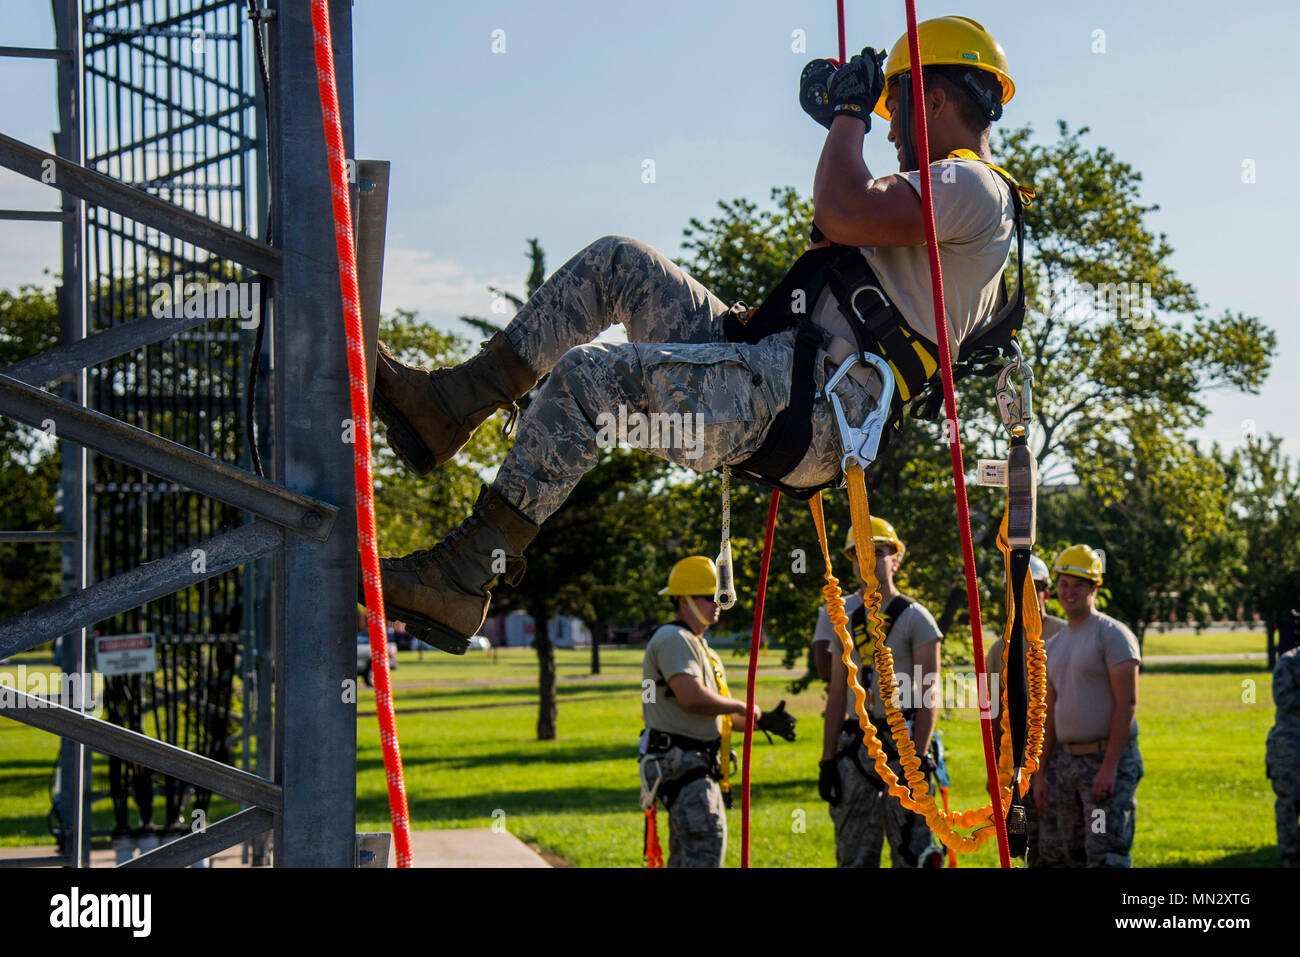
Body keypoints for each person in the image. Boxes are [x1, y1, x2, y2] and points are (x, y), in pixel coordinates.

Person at [366, 17, 1030, 653]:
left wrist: (848, 115)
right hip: (783, 373)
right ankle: (453, 405)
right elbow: (840, 228)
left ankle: (463, 574)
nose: (889, 136)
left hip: (814, 408)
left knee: (588, 382)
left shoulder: (972, 185)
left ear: (932, 100)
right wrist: (841, 123)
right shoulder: (947, 196)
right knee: (619, 263)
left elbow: (840, 206)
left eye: (893, 114)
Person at [813, 518, 944, 867]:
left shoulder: (916, 619)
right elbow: (837, 695)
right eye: (859, 555)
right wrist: (828, 759)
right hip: (857, 748)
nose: (868, 561)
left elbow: (928, 695)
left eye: (878, 553)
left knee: (911, 855)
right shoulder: (845, 619)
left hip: (905, 743)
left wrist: (916, 758)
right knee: (855, 855)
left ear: (896, 560)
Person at [638, 556, 769, 867]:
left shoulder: (701, 647)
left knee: (688, 857)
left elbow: (716, 713)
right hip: (685, 763)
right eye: (710, 596)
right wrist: (742, 706)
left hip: (695, 763)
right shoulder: (674, 638)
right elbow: (692, 697)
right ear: (684, 600)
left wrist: (760, 720)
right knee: (705, 852)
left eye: (720, 597)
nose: (717, 604)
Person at [1032, 545, 1143, 867]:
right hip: (1066, 767)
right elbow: (1049, 715)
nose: (1070, 592)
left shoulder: (1113, 635)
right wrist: (1041, 775)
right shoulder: (1054, 645)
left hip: (1105, 763)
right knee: (1073, 855)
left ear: (1094, 588)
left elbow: (1127, 705)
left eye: (1079, 585)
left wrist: (1109, 767)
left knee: (1104, 855)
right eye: (1064, 584)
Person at [982, 553, 1066, 866]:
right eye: (1014, 590)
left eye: (1032, 589)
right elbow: (988, 710)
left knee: (1062, 846)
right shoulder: (997, 649)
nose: (1022, 597)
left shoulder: (1062, 634)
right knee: (1027, 849)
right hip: (1016, 764)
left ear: (1045, 592)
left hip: (1059, 759)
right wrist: (994, 772)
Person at [1267, 645, 1300, 867]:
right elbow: (1282, 697)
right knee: (1289, 803)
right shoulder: (1289, 661)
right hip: (1290, 748)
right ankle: (1291, 858)